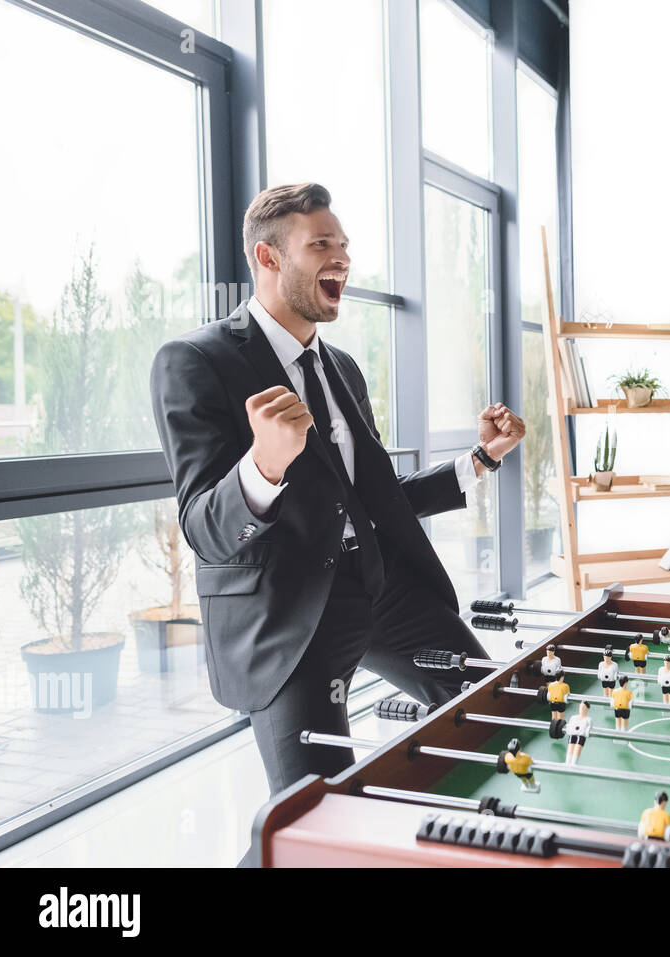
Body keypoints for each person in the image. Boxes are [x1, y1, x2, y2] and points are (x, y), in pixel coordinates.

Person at [149, 183, 526, 801]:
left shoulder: (342, 367)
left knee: (493, 708)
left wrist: (482, 459)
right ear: (268, 257)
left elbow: (370, 499)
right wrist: (264, 465)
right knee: (316, 811)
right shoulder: (194, 360)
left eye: (344, 245)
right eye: (321, 244)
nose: (343, 258)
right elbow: (205, 529)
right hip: (290, 616)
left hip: (378, 588)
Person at [564, 701, 592, 766]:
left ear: (587, 709)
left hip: (581, 736)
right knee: (570, 747)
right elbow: (569, 726)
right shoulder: (573, 717)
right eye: (580, 707)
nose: (581, 709)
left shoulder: (588, 719)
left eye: (583, 707)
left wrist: (586, 733)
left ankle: (574, 763)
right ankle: (567, 762)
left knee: (577, 748)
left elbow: (589, 728)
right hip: (573, 734)